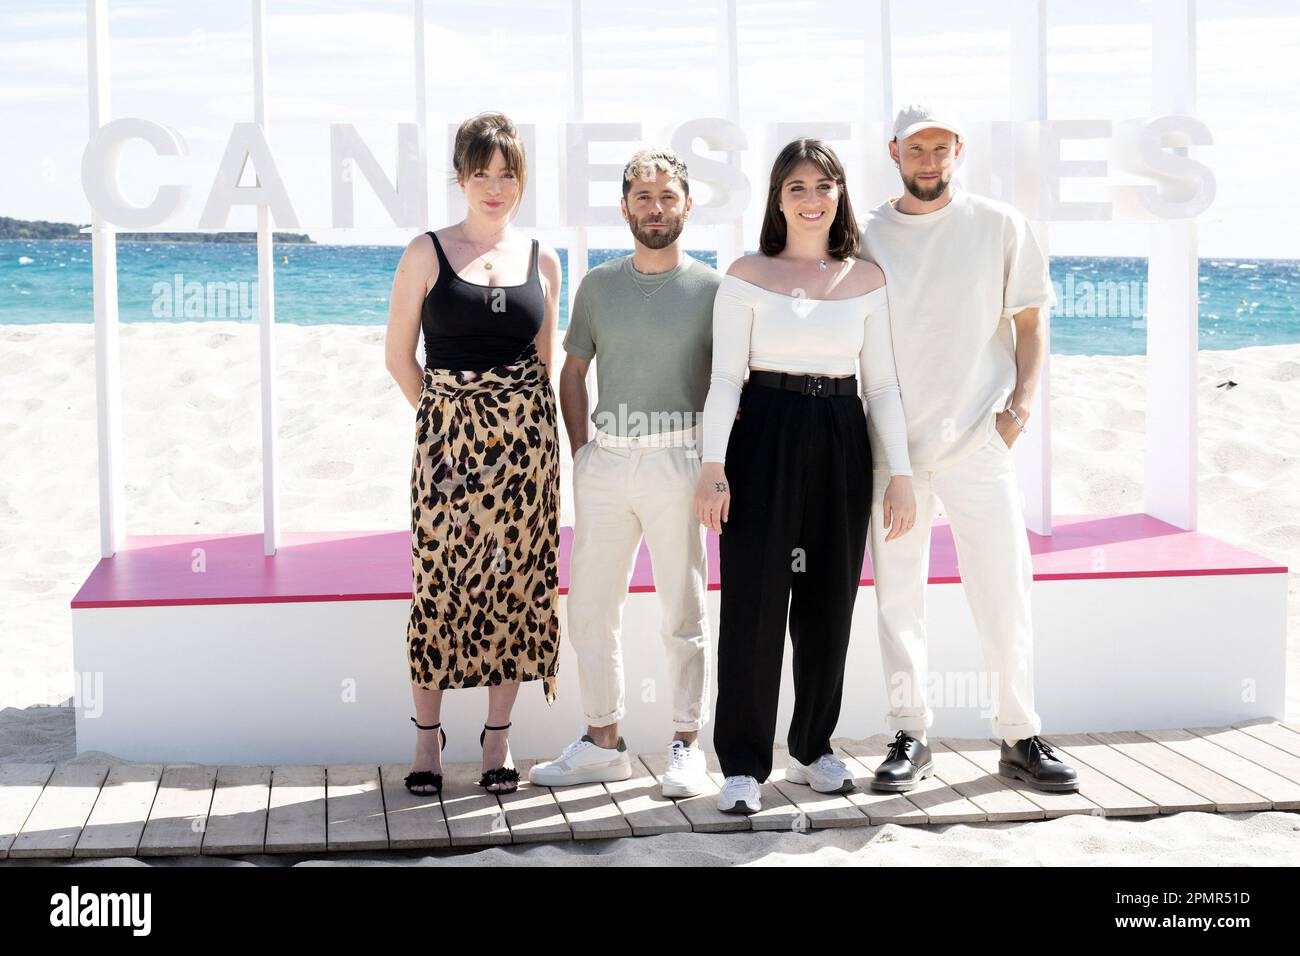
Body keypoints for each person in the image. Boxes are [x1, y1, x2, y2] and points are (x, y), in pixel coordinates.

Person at [856, 101, 1078, 793]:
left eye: (940, 147)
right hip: (890, 449)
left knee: (1002, 588)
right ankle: (910, 733)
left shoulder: (999, 225)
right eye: (915, 148)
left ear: (959, 148)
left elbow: (1032, 323)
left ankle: (1018, 734)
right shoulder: (865, 234)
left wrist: (1019, 411)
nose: (928, 160)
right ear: (893, 151)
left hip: (979, 437)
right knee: (898, 596)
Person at [695, 139, 917, 815]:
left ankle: (815, 745)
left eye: (825, 185)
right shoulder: (745, 273)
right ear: (777, 198)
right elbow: (726, 376)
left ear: (840, 194)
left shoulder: (867, 279)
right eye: (797, 187)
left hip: (841, 433)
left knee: (829, 598)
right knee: (754, 599)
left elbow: (881, 385)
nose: (813, 198)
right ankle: (741, 764)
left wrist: (899, 472)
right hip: (762, 429)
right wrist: (712, 467)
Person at [529, 148, 719, 798]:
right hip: (606, 460)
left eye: (667, 197)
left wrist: (713, 466)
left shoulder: (712, 290)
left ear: (688, 206)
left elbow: (728, 386)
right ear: (625, 208)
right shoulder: (599, 286)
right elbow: (573, 372)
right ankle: (601, 739)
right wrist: (583, 453)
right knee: (589, 609)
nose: (655, 208)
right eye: (643, 197)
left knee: (683, 611)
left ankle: (686, 746)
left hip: (678, 455)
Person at [384, 111, 563, 797]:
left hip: (527, 454)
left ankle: (498, 740)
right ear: (461, 177)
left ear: (521, 180)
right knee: (440, 582)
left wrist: (519, 435)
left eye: (508, 173)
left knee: (516, 586)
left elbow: (542, 368)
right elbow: (400, 360)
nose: (495, 186)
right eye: (482, 172)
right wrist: (447, 427)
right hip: (447, 454)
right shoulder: (425, 252)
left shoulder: (543, 259)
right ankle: (427, 741)